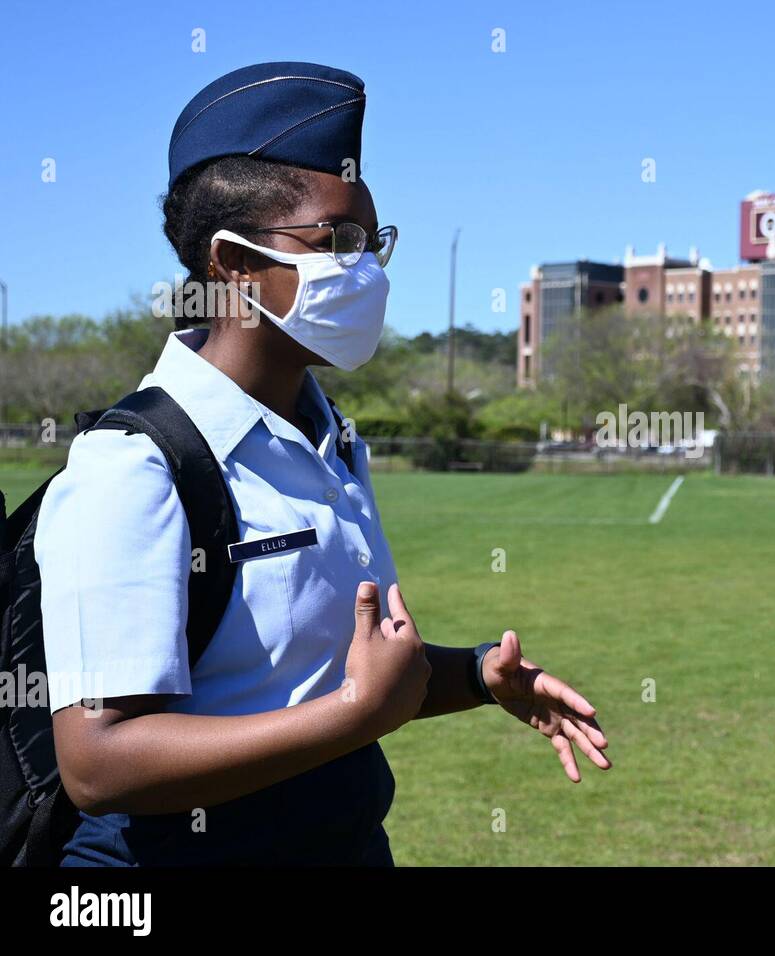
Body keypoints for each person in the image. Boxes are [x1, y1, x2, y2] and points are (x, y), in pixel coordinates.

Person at [35, 62, 609, 866]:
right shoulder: (135, 466)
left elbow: (327, 679)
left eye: (373, 241)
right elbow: (99, 763)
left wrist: (478, 676)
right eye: (335, 241)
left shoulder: (324, 432)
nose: (366, 267)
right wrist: (354, 715)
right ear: (232, 264)